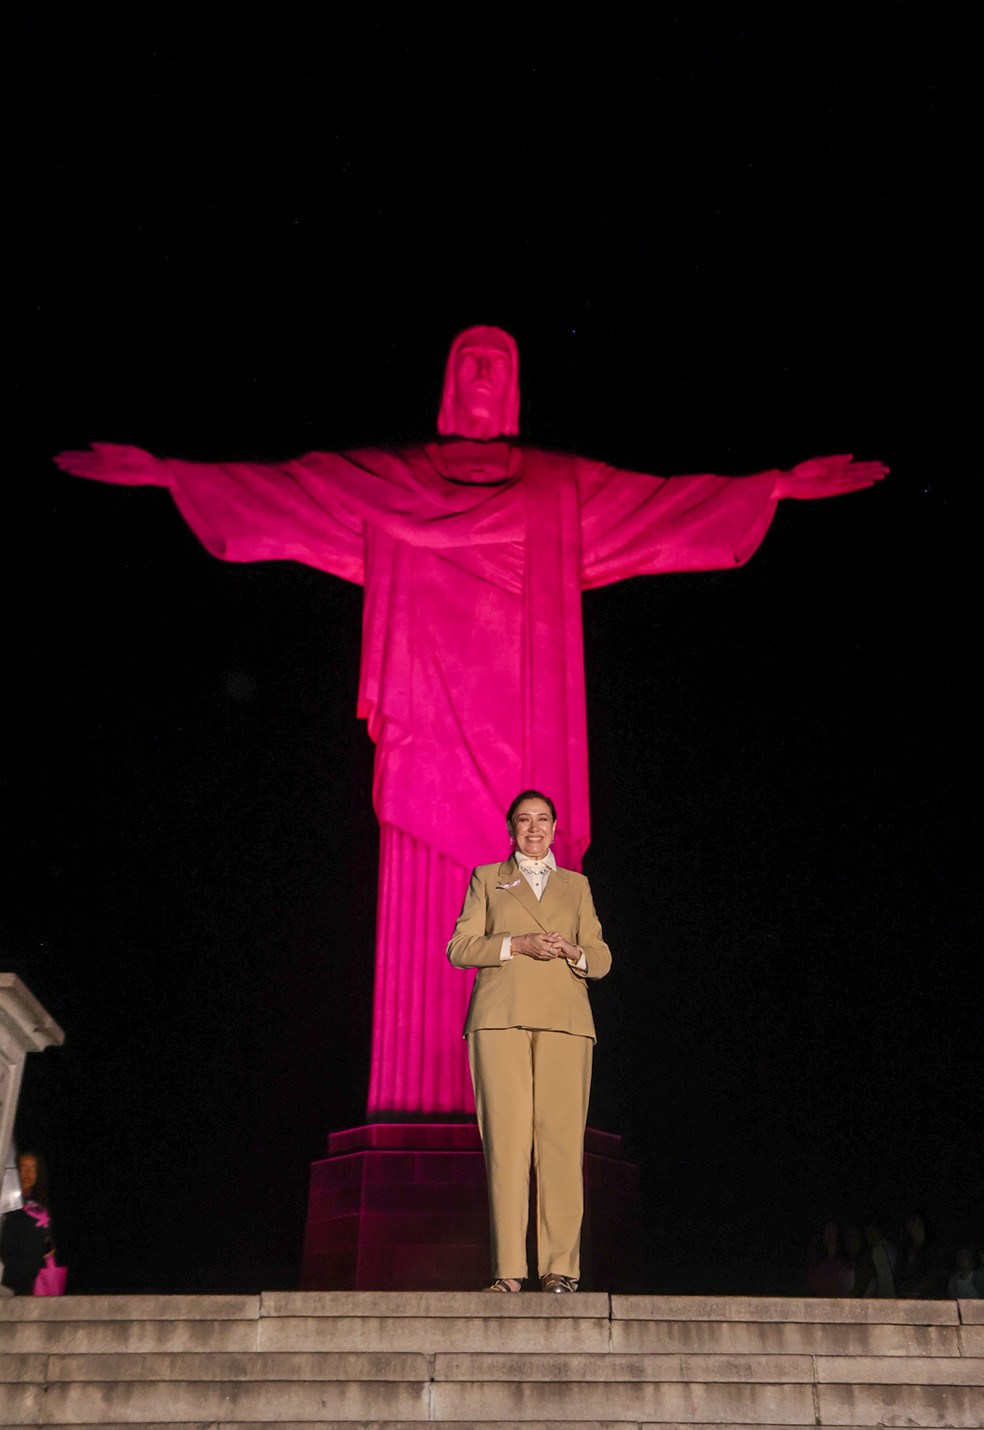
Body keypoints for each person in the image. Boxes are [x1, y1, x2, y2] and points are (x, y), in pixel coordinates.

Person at [56, 327, 887, 1120]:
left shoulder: (557, 485)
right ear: (451, 383)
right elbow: (288, 490)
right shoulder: (394, 478)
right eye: (471, 361)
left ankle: (525, 1116)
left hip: (526, 729)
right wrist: (170, 474)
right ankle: (420, 1102)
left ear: (513, 386)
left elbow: (661, 505)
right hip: (427, 725)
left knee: (531, 882)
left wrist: (772, 487)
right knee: (434, 906)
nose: (483, 374)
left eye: (498, 362)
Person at [447, 790, 611, 1291]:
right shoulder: (488, 878)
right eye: (524, 820)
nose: (534, 828)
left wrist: (572, 951)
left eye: (542, 820)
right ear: (511, 829)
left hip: (565, 1019)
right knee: (507, 1144)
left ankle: (561, 1269)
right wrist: (516, 943)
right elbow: (459, 948)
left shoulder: (576, 886)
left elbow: (601, 959)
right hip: (500, 1017)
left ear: (556, 829)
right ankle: (509, 1273)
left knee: (561, 1144)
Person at [0, 1152, 55, 1296]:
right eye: (23, 1168)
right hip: (14, 1278)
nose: (28, 1173)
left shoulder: (40, 1201)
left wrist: (49, 1247)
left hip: (38, 1276)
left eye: (32, 1168)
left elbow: (46, 1236)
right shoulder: (8, 1200)